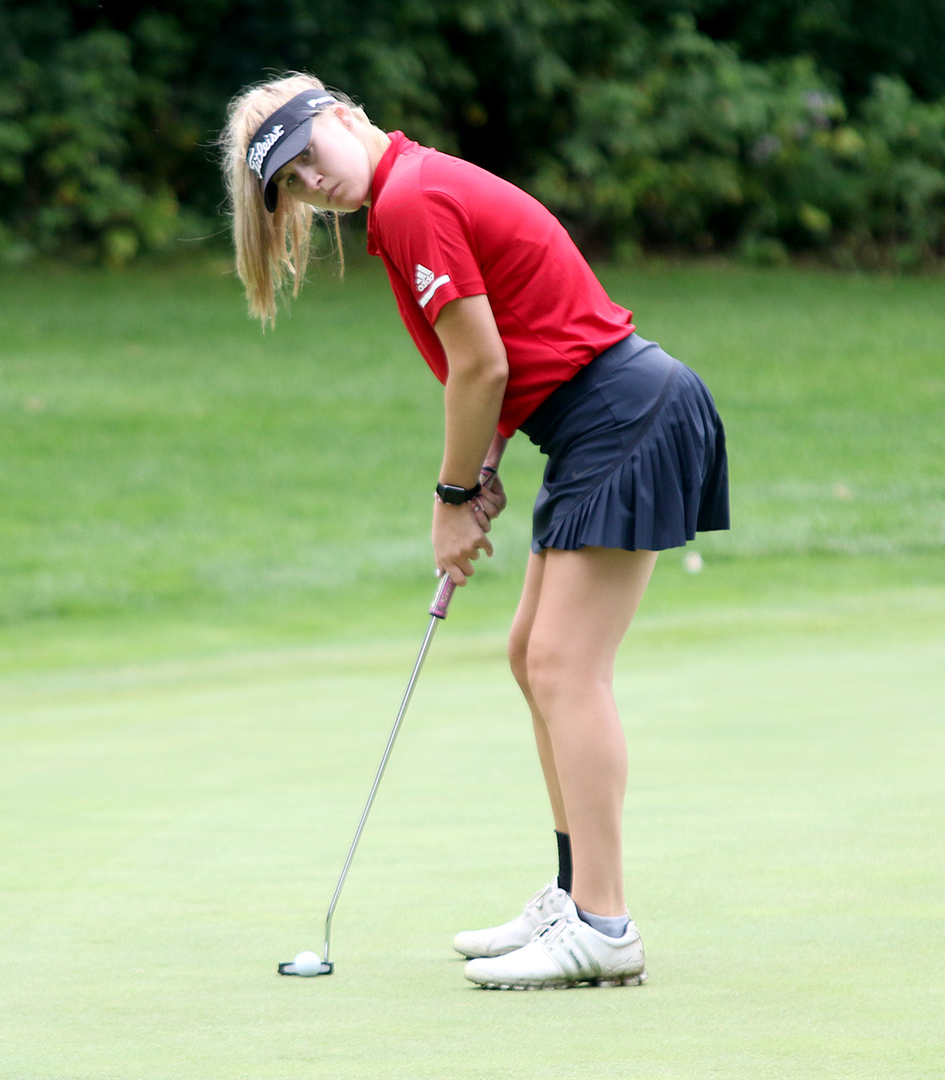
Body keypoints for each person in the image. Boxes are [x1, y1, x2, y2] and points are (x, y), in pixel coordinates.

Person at [222, 73, 728, 990]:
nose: (311, 183)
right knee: (530, 650)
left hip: (626, 414)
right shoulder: (405, 198)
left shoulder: (411, 198)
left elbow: (480, 363)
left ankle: (605, 925)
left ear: (344, 117)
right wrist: (487, 465)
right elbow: (507, 344)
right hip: (596, 420)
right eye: (289, 183)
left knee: (566, 666)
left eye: (309, 157)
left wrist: (453, 494)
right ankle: (577, 897)